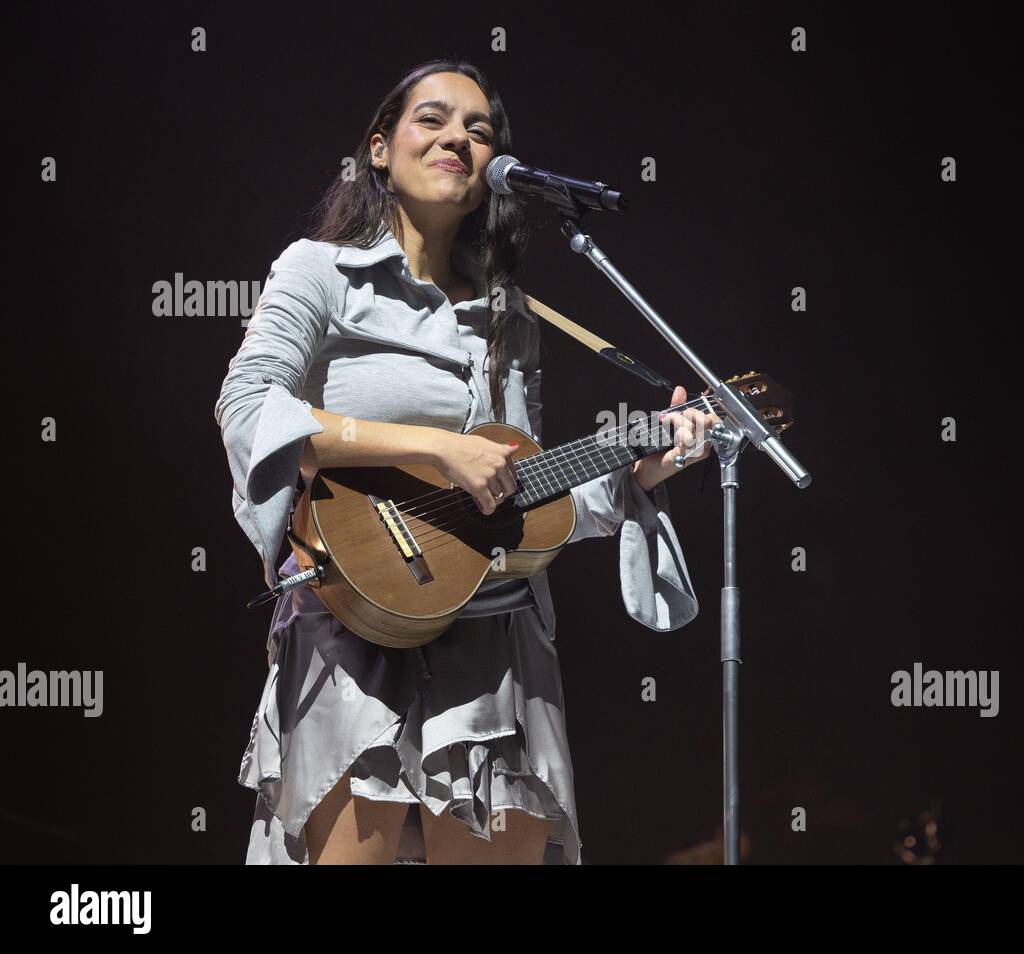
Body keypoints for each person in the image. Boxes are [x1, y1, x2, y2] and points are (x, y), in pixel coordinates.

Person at [215, 59, 720, 864]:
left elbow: (517, 498)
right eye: (434, 119)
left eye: (480, 131)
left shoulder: (508, 314)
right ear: (379, 149)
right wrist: (436, 446)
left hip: (496, 656)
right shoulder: (320, 272)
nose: (459, 137)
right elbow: (249, 409)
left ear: (496, 172)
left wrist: (636, 474)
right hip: (358, 630)